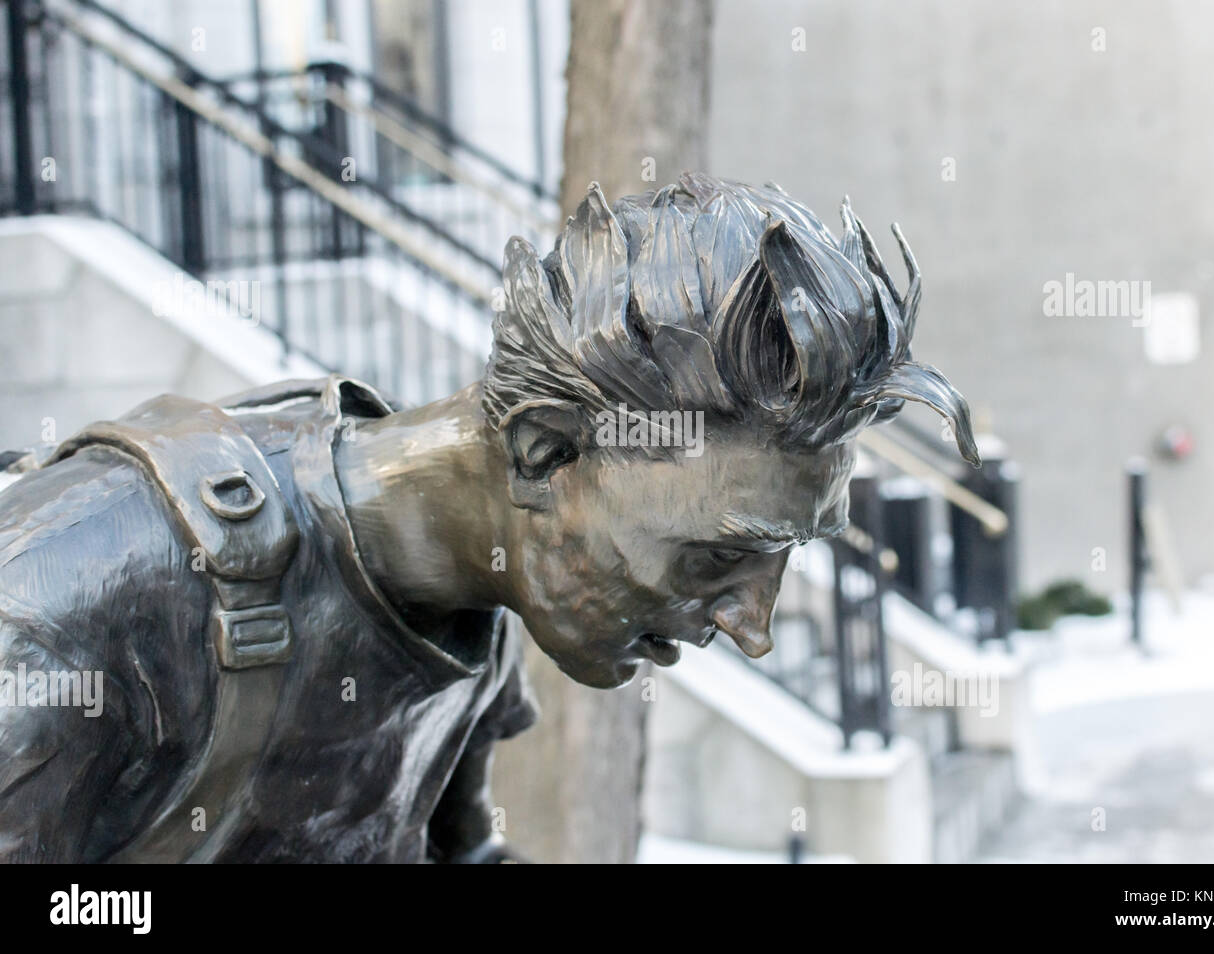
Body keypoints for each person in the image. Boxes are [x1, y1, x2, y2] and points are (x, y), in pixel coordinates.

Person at [0, 173, 978, 862]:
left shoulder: (484, 592)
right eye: (718, 555)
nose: (751, 629)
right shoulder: (81, 596)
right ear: (544, 452)